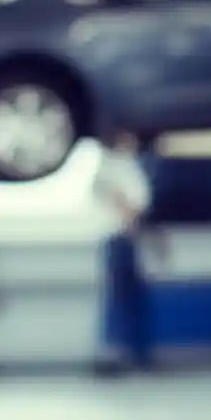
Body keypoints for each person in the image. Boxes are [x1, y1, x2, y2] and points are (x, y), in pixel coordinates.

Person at [92, 130, 153, 370]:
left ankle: (135, 353)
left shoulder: (128, 164)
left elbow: (141, 201)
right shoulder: (112, 165)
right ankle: (116, 355)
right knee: (119, 297)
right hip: (117, 237)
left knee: (134, 299)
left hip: (130, 238)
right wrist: (127, 213)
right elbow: (119, 197)